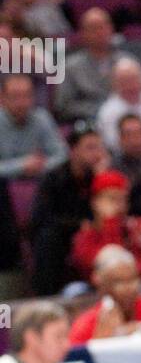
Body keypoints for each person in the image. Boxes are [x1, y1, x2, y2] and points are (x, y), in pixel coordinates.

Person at [29, 120, 109, 294]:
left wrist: (103, 181)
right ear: (73, 150)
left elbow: (118, 208)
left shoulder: (101, 176)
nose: (97, 154)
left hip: (96, 233)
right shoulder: (54, 178)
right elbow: (39, 218)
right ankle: (47, 298)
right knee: (48, 238)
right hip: (63, 236)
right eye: (90, 148)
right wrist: (79, 225)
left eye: (99, 147)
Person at [70, 170, 141, 282]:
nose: (120, 205)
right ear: (95, 202)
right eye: (112, 199)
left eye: (123, 199)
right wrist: (110, 222)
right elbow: (114, 264)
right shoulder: (85, 236)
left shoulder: (138, 226)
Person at [52, 7, 141, 125]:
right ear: (83, 33)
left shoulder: (127, 61)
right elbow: (63, 107)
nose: (100, 32)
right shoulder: (70, 67)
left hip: (132, 122)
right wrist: (102, 109)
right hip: (92, 123)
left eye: (104, 26)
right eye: (94, 28)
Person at [68, 245, 141, 343]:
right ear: (102, 284)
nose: (129, 288)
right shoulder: (86, 324)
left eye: (133, 279)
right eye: (119, 281)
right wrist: (102, 340)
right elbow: (76, 361)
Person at [0, 74, 68, 180]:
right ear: (2, 98)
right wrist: (21, 166)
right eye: (15, 96)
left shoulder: (42, 118)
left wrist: (41, 166)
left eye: (26, 95)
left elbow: (62, 155)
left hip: (39, 184)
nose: (21, 103)